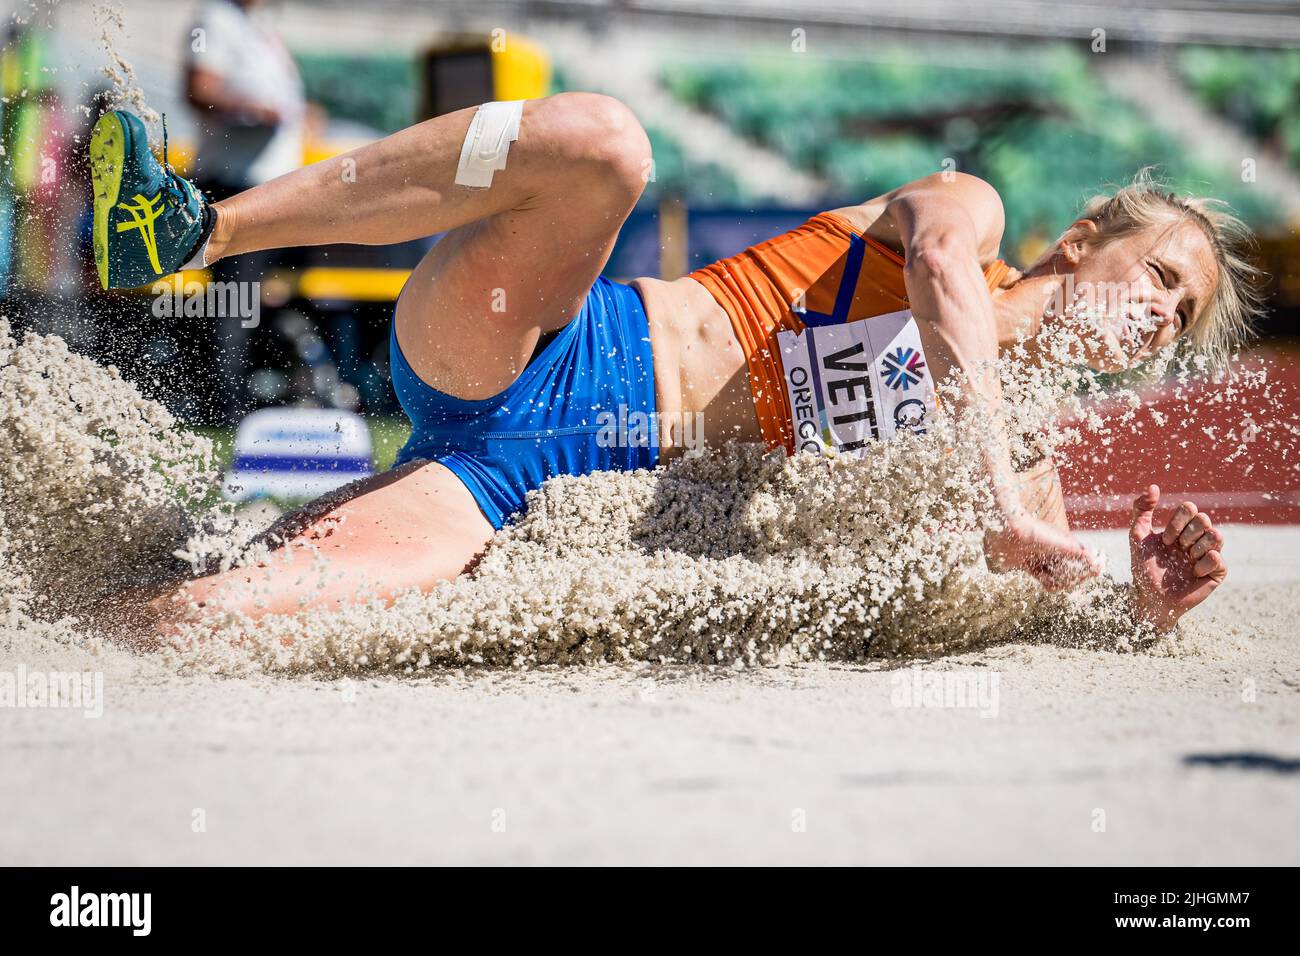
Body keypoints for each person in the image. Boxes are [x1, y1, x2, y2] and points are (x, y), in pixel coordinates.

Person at [86, 92, 1253, 636]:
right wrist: (996, 491)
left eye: (1182, 315)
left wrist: (1143, 604)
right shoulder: (968, 213)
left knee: (200, 618)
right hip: (540, 342)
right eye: (1161, 277)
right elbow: (944, 282)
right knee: (606, 145)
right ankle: (198, 230)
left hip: (527, 486)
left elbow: (1027, 602)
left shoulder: (1027, 457)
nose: (1162, 316)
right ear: (1085, 239)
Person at [182, 0, 306, 423]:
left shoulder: (258, 23)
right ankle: (223, 403)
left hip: (267, 180)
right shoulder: (216, 20)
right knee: (234, 297)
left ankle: (237, 393)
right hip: (235, 179)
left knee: (251, 294)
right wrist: (257, 110)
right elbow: (199, 90)